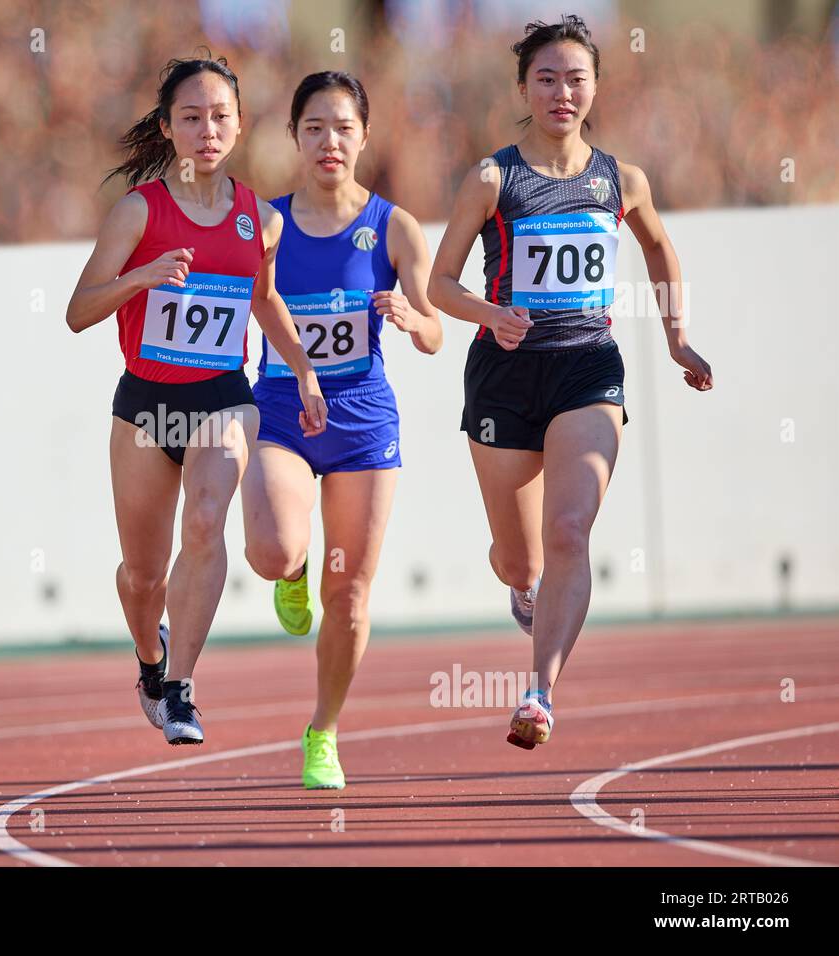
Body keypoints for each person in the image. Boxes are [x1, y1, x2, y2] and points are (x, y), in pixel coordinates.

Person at [427, 15, 713, 749]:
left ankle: (539, 692)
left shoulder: (622, 179)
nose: (562, 91)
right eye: (546, 78)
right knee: (519, 557)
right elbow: (439, 284)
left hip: (588, 368)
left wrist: (677, 338)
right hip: (504, 374)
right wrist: (492, 312)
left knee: (568, 530)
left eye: (576, 77)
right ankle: (522, 589)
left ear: (594, 87)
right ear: (524, 87)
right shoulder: (492, 179)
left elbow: (659, 247)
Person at [66, 55, 327, 746]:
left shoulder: (257, 218)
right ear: (168, 127)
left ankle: (180, 687)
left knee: (207, 522)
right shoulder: (138, 211)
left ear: (238, 127)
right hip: (148, 404)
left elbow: (262, 298)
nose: (206, 130)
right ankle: (150, 661)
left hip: (222, 395)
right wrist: (143, 275)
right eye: (191, 117)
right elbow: (77, 310)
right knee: (141, 576)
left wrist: (301, 368)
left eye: (219, 117)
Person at [242, 72, 441, 787]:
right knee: (271, 550)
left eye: (344, 128)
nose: (331, 141)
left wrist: (415, 321)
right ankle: (290, 570)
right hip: (285, 411)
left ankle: (322, 731)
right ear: (295, 137)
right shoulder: (265, 225)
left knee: (350, 594)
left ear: (364, 136)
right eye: (315, 128)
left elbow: (434, 330)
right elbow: (241, 301)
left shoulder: (394, 226)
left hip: (361, 421)